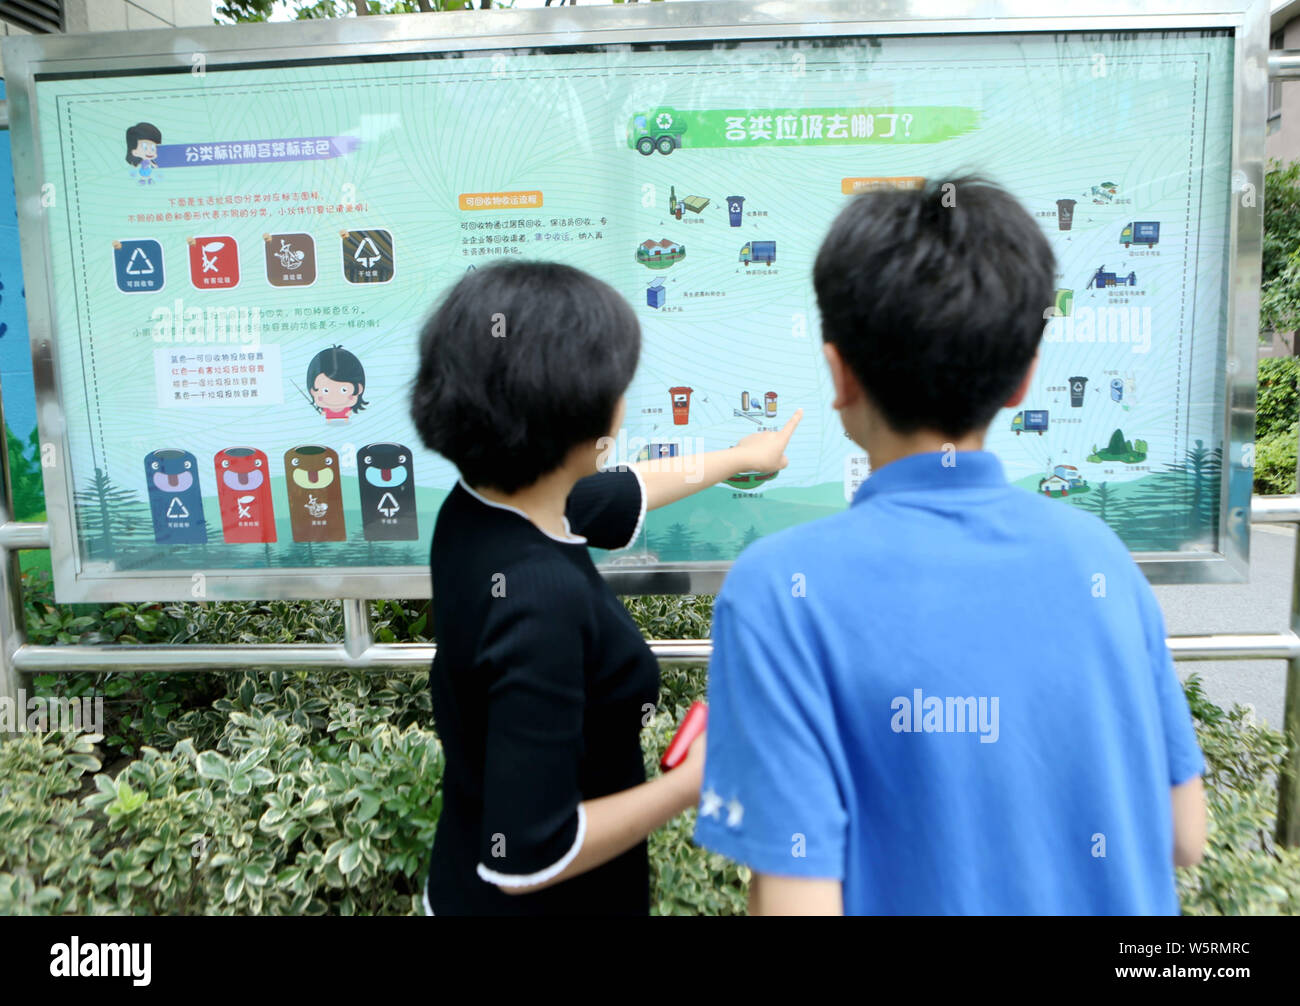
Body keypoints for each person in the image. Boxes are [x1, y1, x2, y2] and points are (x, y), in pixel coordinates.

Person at [693, 177, 1206, 915]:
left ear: (839, 375)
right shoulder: (1100, 559)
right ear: (1024, 379)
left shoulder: (779, 591)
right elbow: (1184, 835)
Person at [410, 260, 801, 915]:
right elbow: (526, 860)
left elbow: (623, 489)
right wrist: (694, 783)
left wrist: (740, 459)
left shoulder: (480, 504)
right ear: (586, 415)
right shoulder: (540, 599)